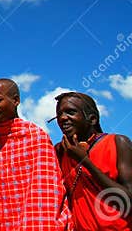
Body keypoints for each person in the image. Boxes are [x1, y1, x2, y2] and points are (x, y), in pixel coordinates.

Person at [0, 79, 63, 230]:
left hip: (40, 222)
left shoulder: (35, 136)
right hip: (5, 222)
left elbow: (49, 189)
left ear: (16, 100)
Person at [54, 91, 132, 230]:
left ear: (92, 119)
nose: (63, 118)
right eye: (59, 114)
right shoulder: (60, 151)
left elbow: (129, 198)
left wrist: (86, 162)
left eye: (70, 112)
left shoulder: (117, 143)